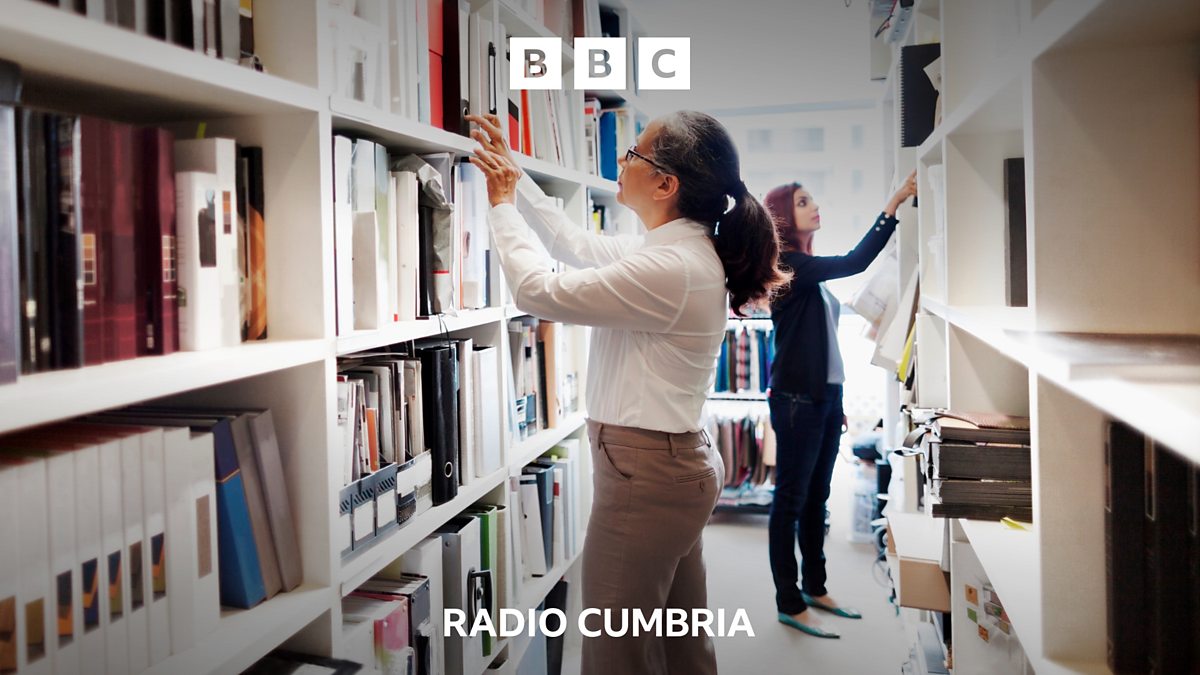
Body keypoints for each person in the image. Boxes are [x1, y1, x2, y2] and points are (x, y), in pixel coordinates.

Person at [466, 110, 789, 674]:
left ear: (667, 184)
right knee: (680, 644)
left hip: (648, 475)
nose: (621, 161)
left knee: (614, 652)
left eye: (633, 154)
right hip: (669, 467)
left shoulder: (673, 265)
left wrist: (498, 204)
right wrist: (516, 180)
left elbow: (537, 290)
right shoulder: (673, 249)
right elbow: (574, 243)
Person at [764, 172, 917, 639]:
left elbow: (822, 342)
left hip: (824, 398)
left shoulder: (808, 272)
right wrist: (892, 206)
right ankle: (789, 601)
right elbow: (854, 261)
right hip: (796, 400)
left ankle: (816, 588)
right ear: (785, 217)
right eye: (803, 202)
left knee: (817, 500)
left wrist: (837, 398)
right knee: (790, 502)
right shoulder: (788, 265)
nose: (815, 206)